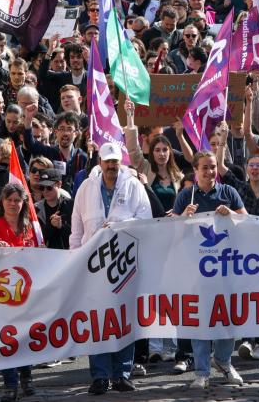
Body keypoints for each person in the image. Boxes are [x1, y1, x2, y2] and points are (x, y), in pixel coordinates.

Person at [71, 142, 153, 394]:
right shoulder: (86, 187)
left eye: (115, 161)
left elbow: (145, 221)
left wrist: (119, 228)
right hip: (93, 265)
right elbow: (77, 228)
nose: (111, 166)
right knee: (97, 321)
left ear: (121, 162)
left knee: (123, 320)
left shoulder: (134, 185)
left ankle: (122, 374)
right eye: (107, 161)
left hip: (124, 263)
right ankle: (99, 376)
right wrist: (75, 259)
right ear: (99, 161)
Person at [171, 150, 248, 389]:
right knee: (201, 321)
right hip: (197, 270)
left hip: (226, 268)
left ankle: (223, 361)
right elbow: (171, 232)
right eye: (205, 167)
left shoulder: (229, 192)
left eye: (213, 167)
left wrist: (232, 214)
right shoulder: (185, 195)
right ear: (195, 171)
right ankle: (202, 371)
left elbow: (248, 222)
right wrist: (183, 216)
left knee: (228, 316)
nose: (210, 172)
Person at [0, 183, 39, 400]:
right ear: (2, 202)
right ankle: (10, 382)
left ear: (23, 203)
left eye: (17, 200)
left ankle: (27, 378)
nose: (13, 204)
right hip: (1, 294)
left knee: (26, 335)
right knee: (6, 337)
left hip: (26, 292)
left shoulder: (30, 226)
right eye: (9, 200)